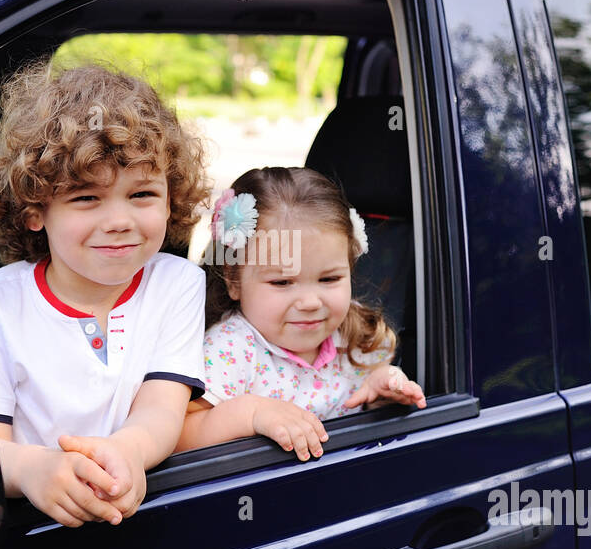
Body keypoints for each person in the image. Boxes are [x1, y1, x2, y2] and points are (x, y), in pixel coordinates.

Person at [0, 59, 212, 527]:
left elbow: (160, 405)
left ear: (171, 198)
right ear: (35, 211)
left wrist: (126, 453)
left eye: (142, 195)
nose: (118, 220)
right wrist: (35, 469)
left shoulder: (177, 284)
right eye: (86, 198)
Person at [177, 166, 425, 460]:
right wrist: (252, 412)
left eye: (329, 279)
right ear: (234, 281)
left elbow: (362, 405)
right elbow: (180, 437)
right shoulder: (229, 350)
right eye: (282, 282)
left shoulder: (355, 335)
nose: (310, 302)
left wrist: (377, 392)